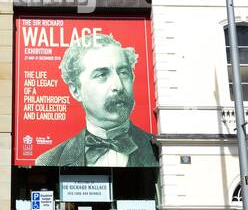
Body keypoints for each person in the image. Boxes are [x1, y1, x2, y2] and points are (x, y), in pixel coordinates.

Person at [36, 32, 157, 167]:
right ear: (75, 90)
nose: (118, 85)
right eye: (101, 75)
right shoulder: (50, 160)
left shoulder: (159, 149)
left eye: (123, 72)